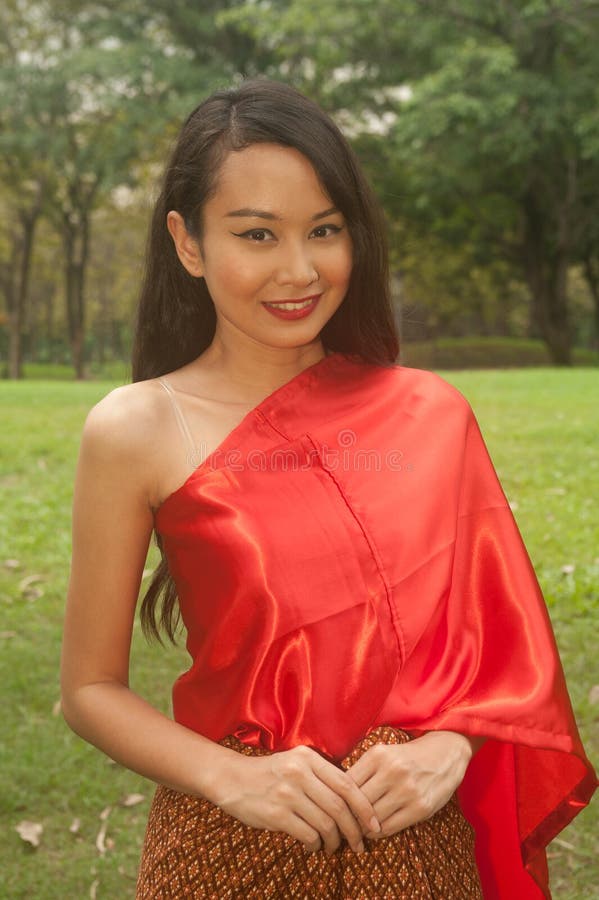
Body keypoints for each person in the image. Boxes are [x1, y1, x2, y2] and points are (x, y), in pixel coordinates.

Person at [61, 79, 596, 899]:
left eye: (324, 230)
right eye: (256, 234)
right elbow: (89, 690)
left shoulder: (429, 415)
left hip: (409, 838)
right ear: (188, 241)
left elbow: (499, 647)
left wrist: (448, 749)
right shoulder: (136, 428)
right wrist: (231, 779)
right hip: (227, 840)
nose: (299, 269)